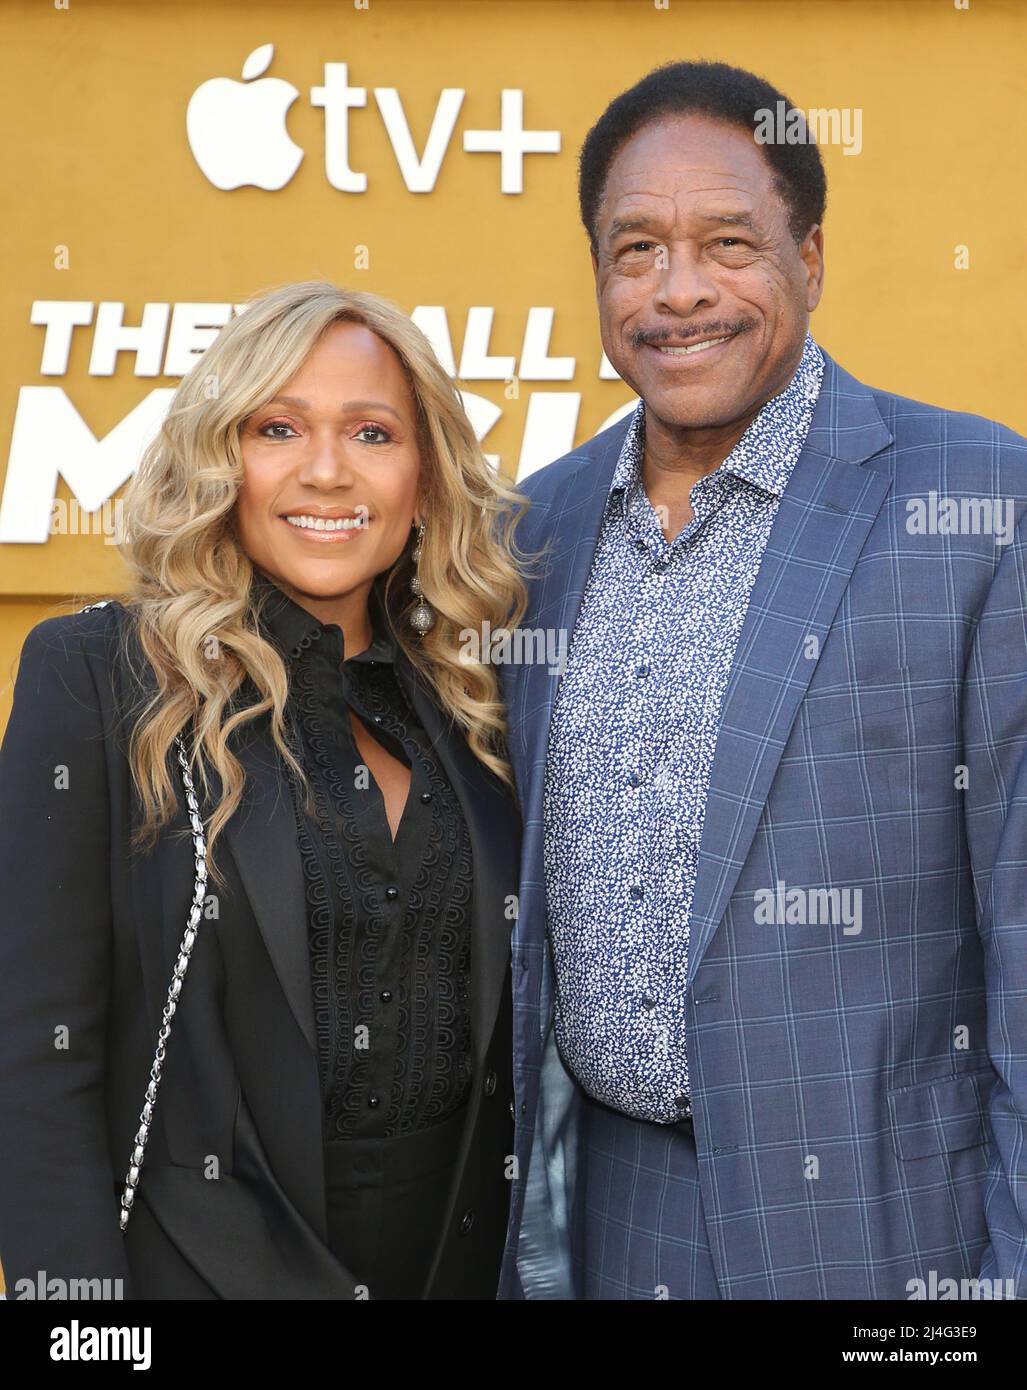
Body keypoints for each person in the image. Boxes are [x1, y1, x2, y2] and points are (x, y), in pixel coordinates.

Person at [498, 60, 1027, 1300]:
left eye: (727, 241)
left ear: (811, 254)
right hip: (616, 1232)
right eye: (635, 250)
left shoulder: (979, 506)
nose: (678, 291)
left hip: (894, 1244)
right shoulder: (536, 534)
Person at [0, 279, 527, 1301]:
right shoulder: (102, 678)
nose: (326, 471)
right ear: (221, 460)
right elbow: (33, 1054)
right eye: (277, 427)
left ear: (423, 478)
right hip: (197, 1276)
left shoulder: (479, 699)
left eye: (372, 433)